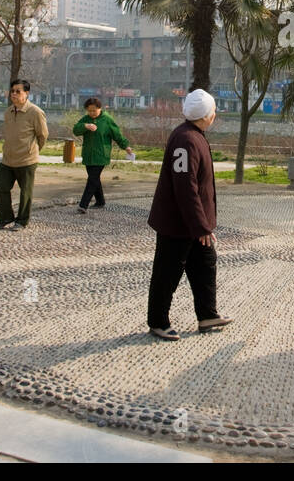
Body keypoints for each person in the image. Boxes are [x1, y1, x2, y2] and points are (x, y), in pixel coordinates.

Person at [145, 89, 232, 341]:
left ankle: (207, 315)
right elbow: (185, 188)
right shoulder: (186, 139)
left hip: (194, 224)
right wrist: (200, 226)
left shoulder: (193, 135)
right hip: (178, 224)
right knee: (167, 272)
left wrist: (202, 224)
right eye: (213, 111)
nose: (215, 114)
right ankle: (158, 321)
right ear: (206, 115)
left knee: (205, 265)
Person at [0, 78, 48, 231]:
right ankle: (6, 218)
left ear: (26, 93)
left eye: (18, 91)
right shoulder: (8, 112)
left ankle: (22, 221)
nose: (14, 94)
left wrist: (33, 151)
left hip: (27, 160)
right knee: (1, 188)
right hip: (8, 160)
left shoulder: (36, 112)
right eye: (12, 91)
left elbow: (43, 135)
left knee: (25, 193)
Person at [72, 97, 134, 213]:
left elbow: (117, 135)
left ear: (100, 108)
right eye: (89, 111)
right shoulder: (86, 119)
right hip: (88, 155)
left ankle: (83, 205)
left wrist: (126, 146)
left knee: (92, 180)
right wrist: (85, 126)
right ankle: (100, 201)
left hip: (101, 155)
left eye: (94, 111)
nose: (91, 113)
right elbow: (75, 130)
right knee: (94, 179)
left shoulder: (107, 120)